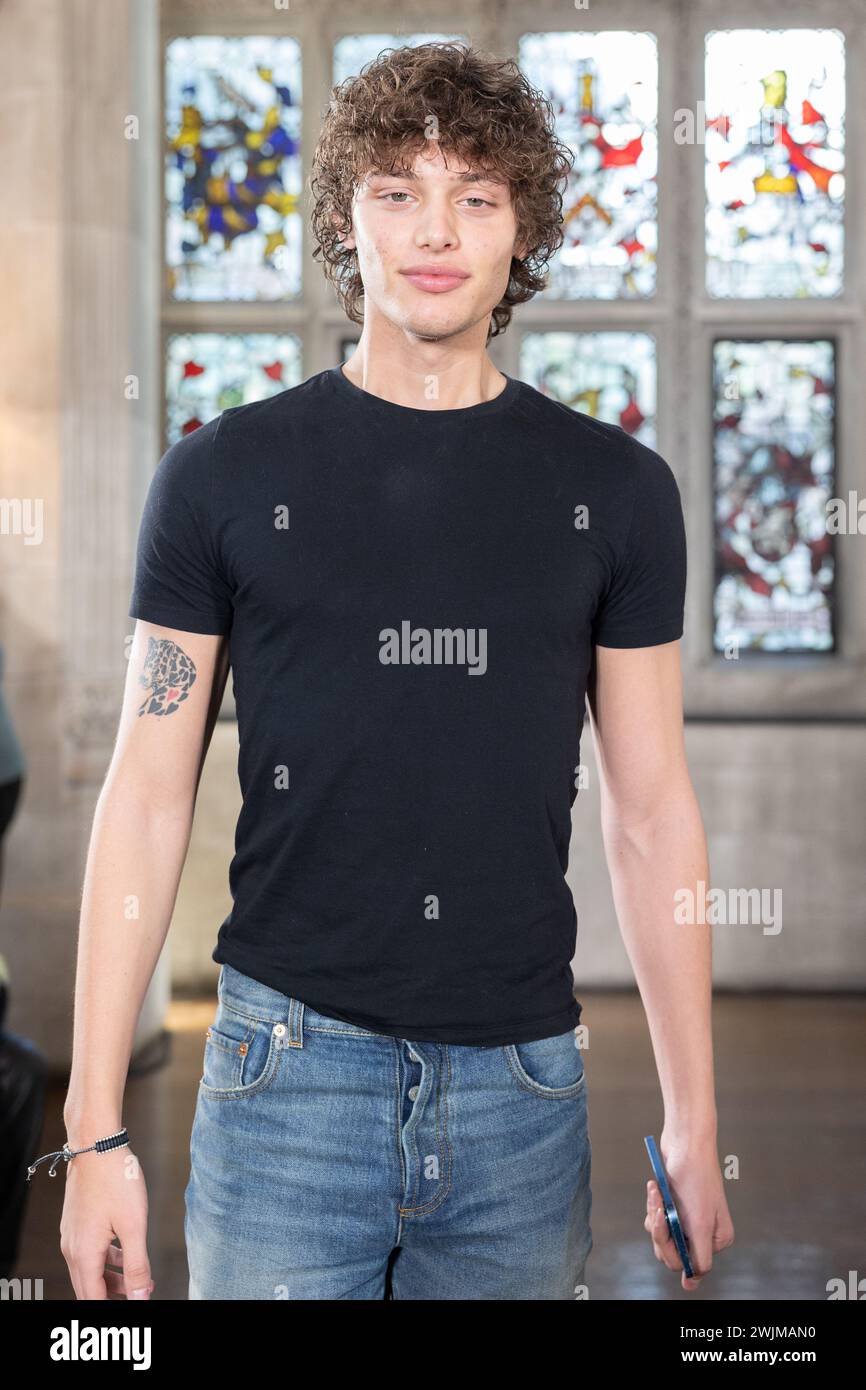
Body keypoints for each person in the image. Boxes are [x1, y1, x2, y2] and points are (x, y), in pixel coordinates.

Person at [52, 42, 733, 1300]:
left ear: (518, 227)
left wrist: (693, 1113)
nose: (435, 228)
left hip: (521, 1091)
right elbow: (145, 795)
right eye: (395, 190)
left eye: (474, 194)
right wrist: (95, 1124)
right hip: (282, 1078)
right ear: (341, 218)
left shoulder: (616, 493)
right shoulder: (216, 479)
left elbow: (649, 813)